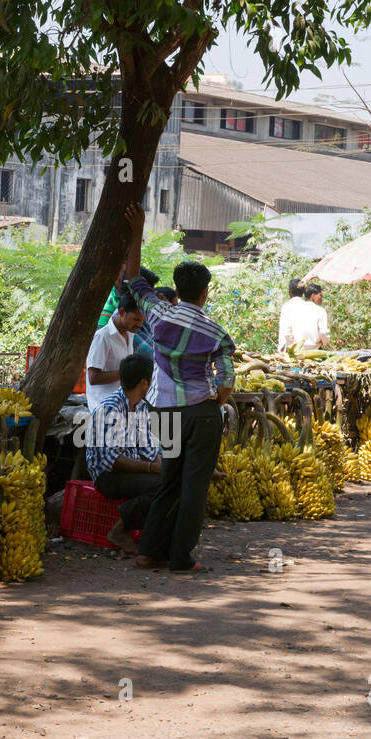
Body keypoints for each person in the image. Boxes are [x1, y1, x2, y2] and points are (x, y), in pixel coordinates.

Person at [124, 202, 235, 572]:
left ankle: (149, 550)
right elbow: (227, 381)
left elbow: (134, 278)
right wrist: (214, 402)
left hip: (164, 412)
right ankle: (181, 557)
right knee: (194, 486)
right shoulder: (215, 332)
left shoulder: (157, 314)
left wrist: (137, 229)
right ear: (204, 293)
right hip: (200, 415)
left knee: (170, 480)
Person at [85, 354, 162, 553]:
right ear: (145, 382)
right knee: (158, 486)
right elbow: (112, 460)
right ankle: (119, 530)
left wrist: (163, 466)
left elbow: (147, 449)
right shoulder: (109, 408)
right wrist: (151, 468)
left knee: (170, 481)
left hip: (129, 471)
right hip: (107, 476)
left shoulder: (141, 407)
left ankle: (154, 537)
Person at [85, 289, 146, 408]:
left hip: (124, 403)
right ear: (122, 312)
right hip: (104, 406)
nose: (139, 325)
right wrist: (128, 372)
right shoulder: (102, 337)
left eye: (142, 321)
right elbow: (93, 378)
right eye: (136, 319)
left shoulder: (130, 333)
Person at [281, 282, 331, 351]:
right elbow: (323, 333)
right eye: (320, 295)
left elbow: (287, 332)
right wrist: (323, 343)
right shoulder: (320, 311)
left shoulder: (295, 309)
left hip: (296, 352)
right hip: (314, 352)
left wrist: (292, 346)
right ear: (313, 296)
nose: (322, 298)